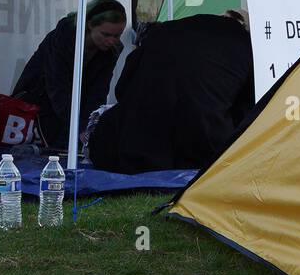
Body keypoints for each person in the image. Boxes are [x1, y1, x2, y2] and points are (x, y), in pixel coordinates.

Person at [89, 12, 254, 173]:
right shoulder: (247, 47)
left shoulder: (169, 29)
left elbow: (123, 87)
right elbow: (248, 108)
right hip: (206, 149)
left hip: (137, 146)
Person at [12, 0, 126, 150]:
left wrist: (88, 125)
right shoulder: (62, 38)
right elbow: (57, 88)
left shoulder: (112, 50)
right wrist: (79, 127)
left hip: (70, 110)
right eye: (106, 34)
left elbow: (99, 91)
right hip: (37, 106)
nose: (112, 41)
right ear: (89, 24)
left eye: (117, 36)